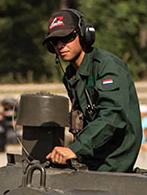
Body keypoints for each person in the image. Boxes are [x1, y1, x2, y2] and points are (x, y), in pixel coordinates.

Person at [42, 9, 140, 172]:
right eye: (55, 41)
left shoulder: (107, 66)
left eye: (67, 38)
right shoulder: (71, 75)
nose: (60, 45)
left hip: (113, 161)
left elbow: (112, 117)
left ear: (83, 35)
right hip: (89, 155)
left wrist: (74, 150)